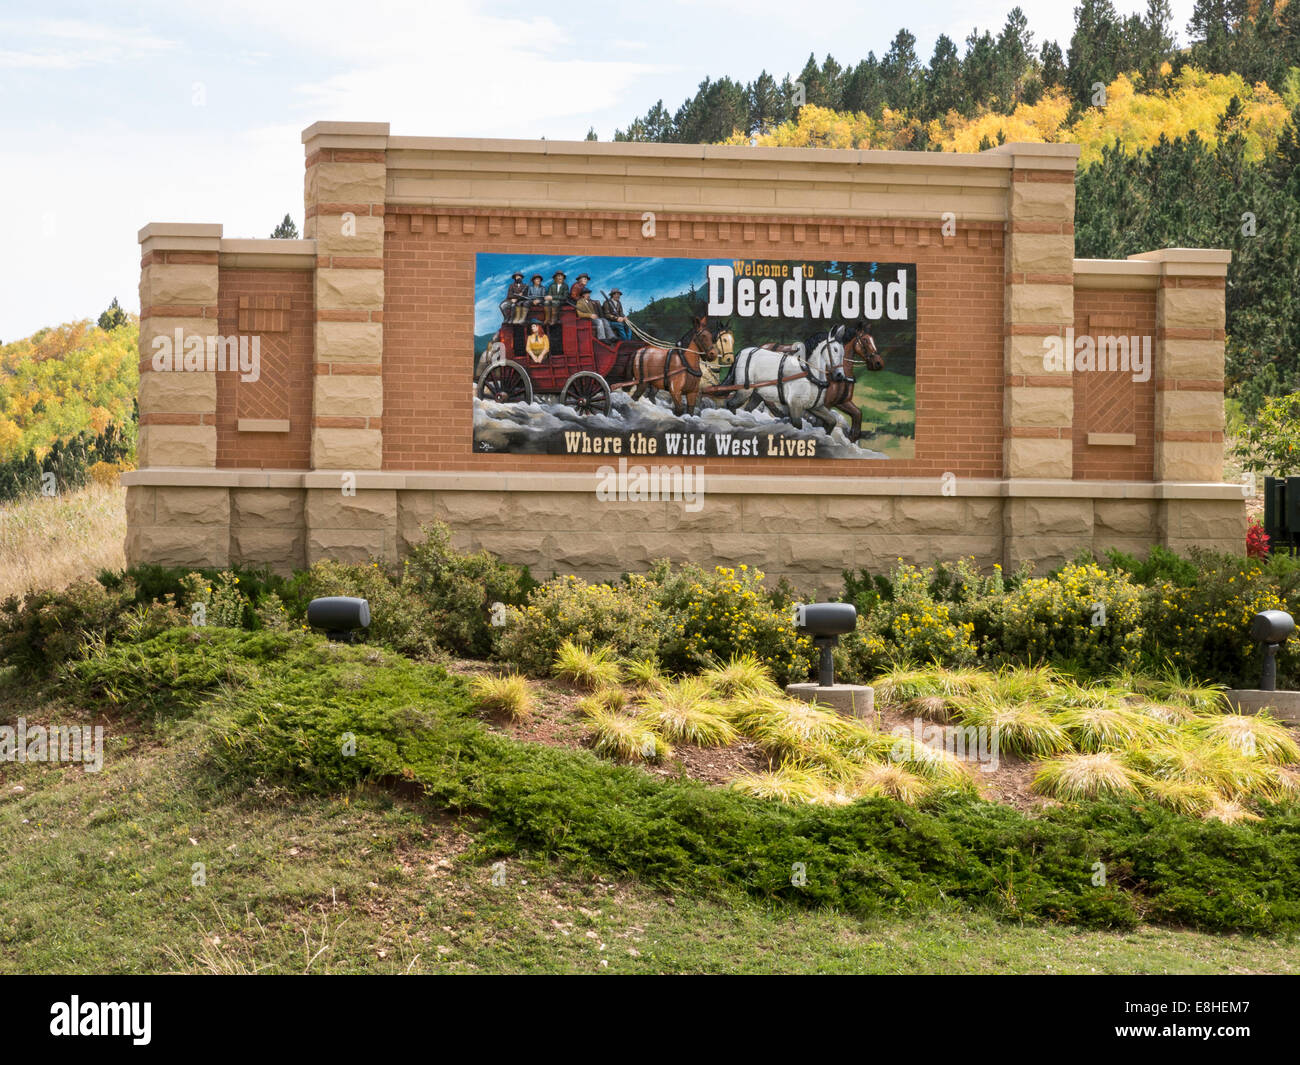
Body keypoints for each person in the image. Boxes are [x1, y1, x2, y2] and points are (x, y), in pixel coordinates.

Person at [571, 274, 614, 341]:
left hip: (593, 317)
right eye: (587, 293)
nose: (588, 295)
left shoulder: (590, 302)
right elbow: (579, 313)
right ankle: (602, 338)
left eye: (589, 293)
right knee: (599, 322)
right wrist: (590, 315)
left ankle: (611, 337)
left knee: (604, 320)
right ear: (583, 295)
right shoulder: (580, 300)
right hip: (586, 318)